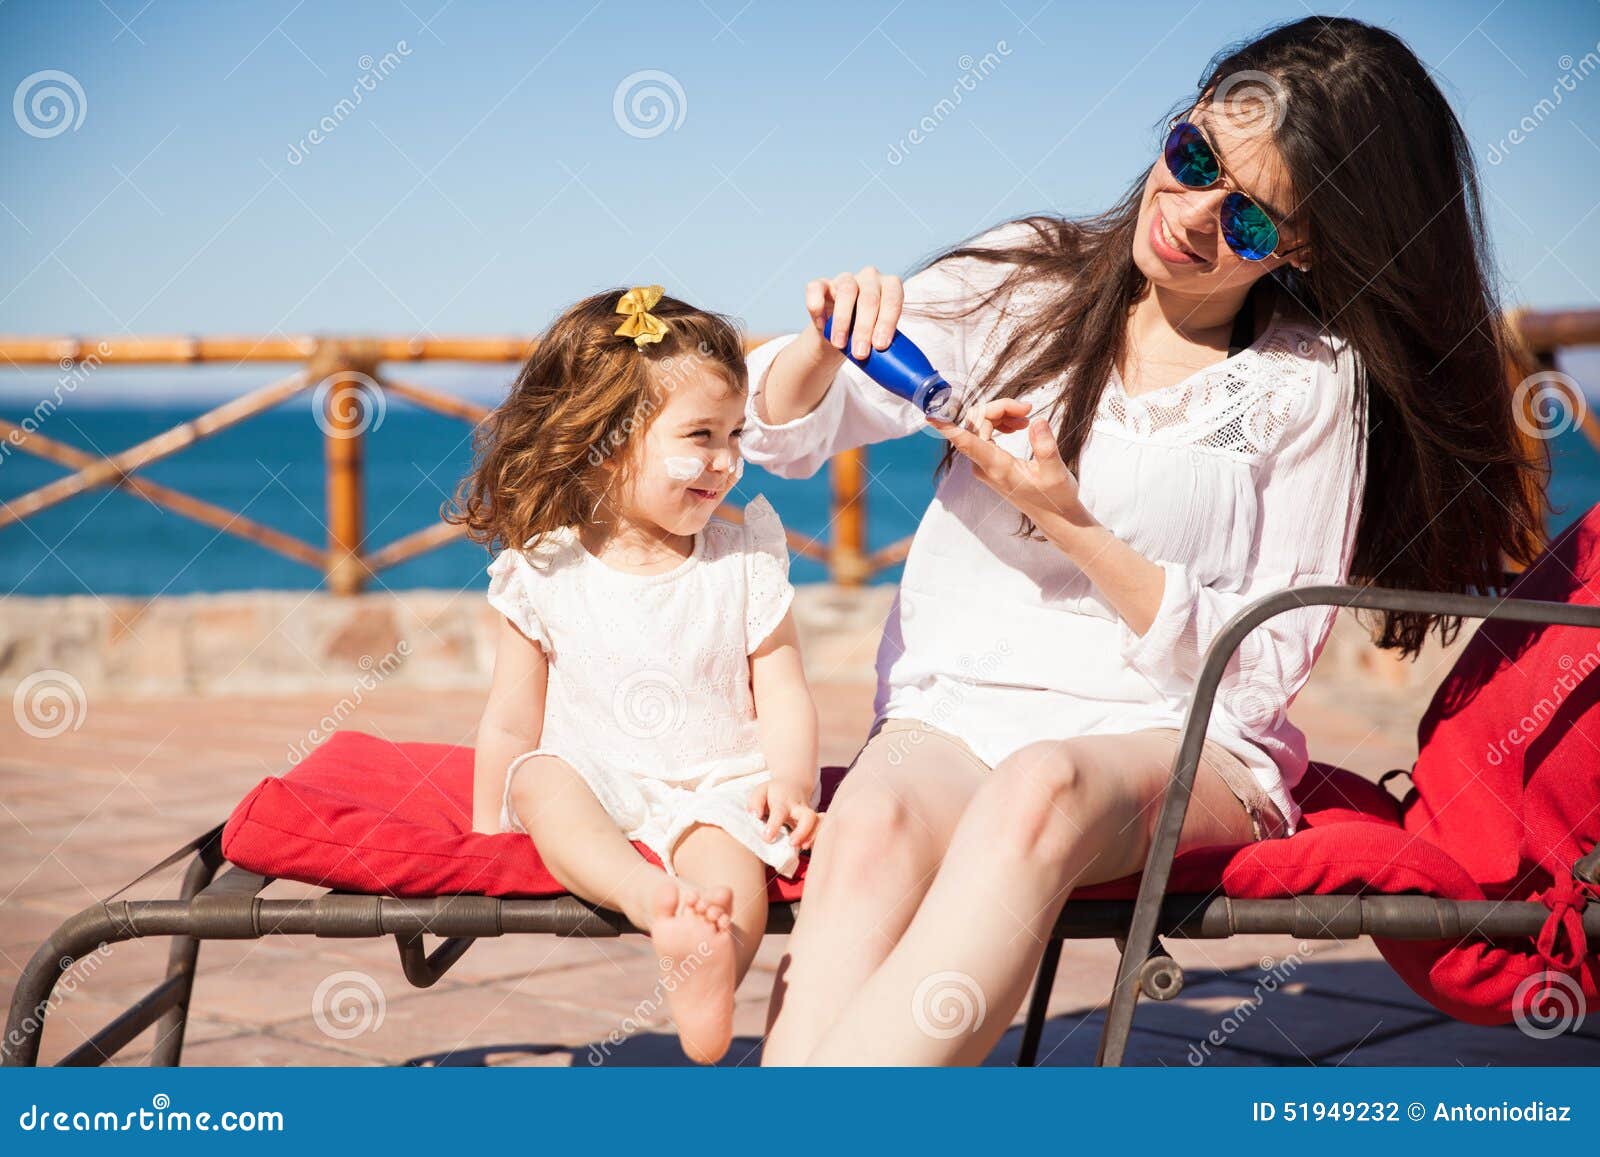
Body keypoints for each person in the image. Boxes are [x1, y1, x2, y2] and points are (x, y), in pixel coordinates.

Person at [740, 15, 1546, 1065]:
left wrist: (1072, 522)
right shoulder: (1023, 285)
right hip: (953, 714)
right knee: (874, 823)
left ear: (1304, 245)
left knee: (1038, 787)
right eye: (1193, 157)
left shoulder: (1292, 384)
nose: (1192, 217)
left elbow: (1251, 673)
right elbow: (778, 431)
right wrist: (820, 339)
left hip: (1180, 737)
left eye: (1250, 219)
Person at [447, 286, 823, 1064]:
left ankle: (709, 952)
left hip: (718, 779)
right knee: (541, 780)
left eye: (735, 434)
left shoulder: (745, 556)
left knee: (731, 864)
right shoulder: (544, 567)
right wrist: (489, 823)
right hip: (596, 774)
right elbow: (513, 719)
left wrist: (789, 783)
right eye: (700, 435)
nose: (726, 461)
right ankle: (649, 896)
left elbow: (783, 687)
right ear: (605, 441)